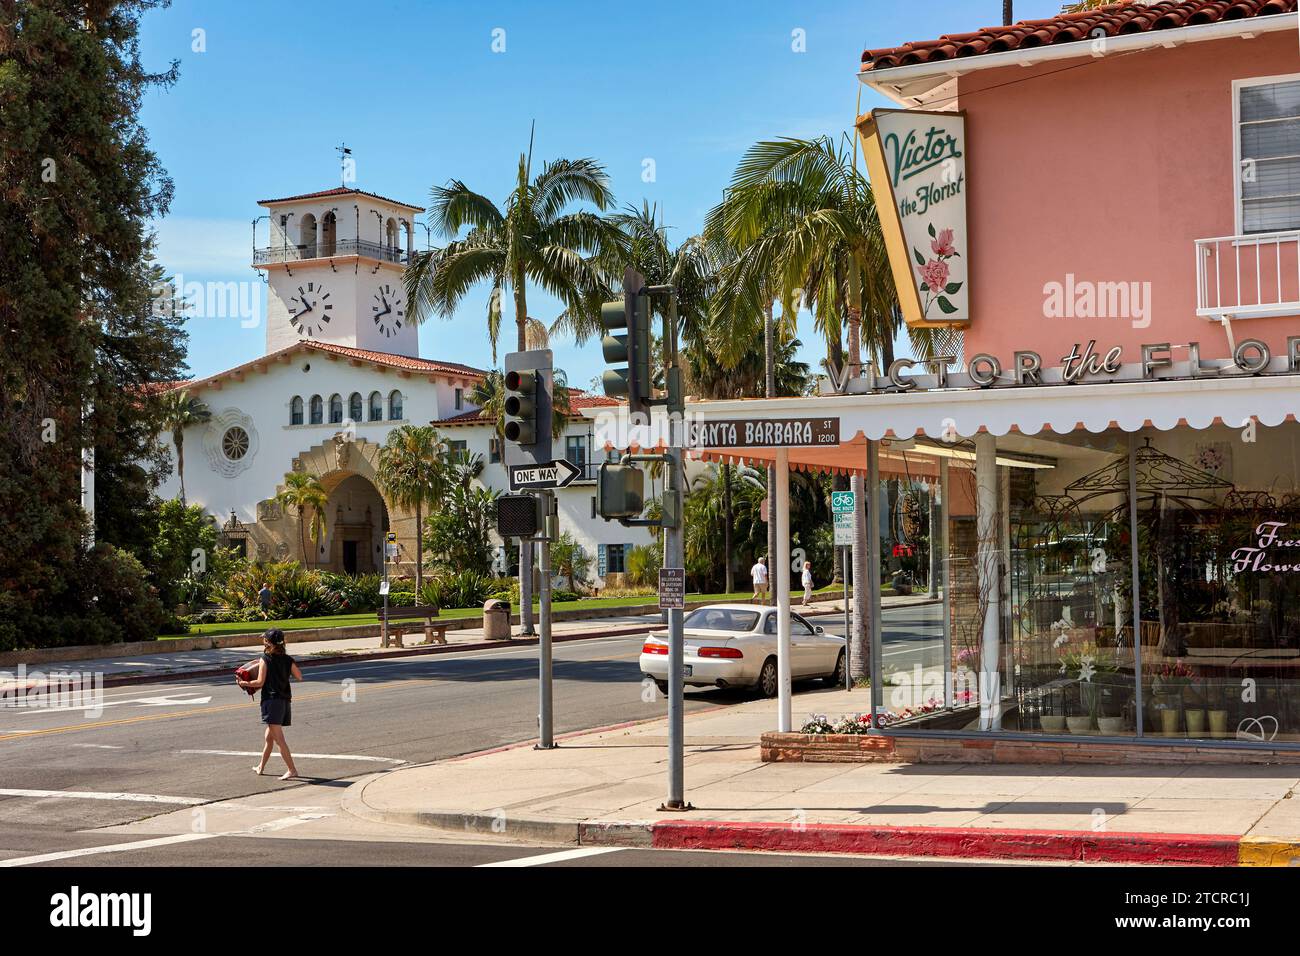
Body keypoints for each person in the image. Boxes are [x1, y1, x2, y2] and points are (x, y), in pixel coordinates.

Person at [236, 628, 302, 780]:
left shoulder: (265, 659)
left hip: (272, 702)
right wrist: (282, 675)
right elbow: (299, 676)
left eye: (264, 639)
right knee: (269, 738)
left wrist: (245, 682)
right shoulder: (287, 659)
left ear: (268, 642)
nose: (263, 640)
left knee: (279, 739)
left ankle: (292, 769)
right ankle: (261, 766)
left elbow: (259, 682)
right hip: (285, 701)